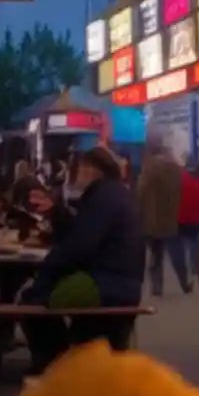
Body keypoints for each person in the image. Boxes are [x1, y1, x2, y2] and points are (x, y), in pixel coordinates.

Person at [19, 147, 146, 374]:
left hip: (104, 285)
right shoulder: (112, 194)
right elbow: (82, 235)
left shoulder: (102, 199)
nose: (75, 175)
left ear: (92, 170)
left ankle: (56, 366)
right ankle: (62, 362)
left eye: (79, 169)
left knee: (32, 301)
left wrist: (45, 273)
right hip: (119, 282)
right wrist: (57, 212)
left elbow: (79, 247)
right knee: (42, 295)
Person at [137, 145, 189, 296]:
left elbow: (140, 192)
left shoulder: (148, 169)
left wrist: (139, 213)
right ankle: (184, 282)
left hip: (152, 219)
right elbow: (183, 190)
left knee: (156, 254)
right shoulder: (176, 170)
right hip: (172, 217)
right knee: (177, 252)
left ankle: (157, 286)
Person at [178, 160, 199, 278]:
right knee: (194, 244)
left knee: (183, 244)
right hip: (196, 221)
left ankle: (184, 267)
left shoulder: (182, 180)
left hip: (181, 219)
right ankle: (193, 266)